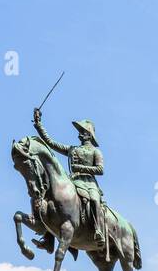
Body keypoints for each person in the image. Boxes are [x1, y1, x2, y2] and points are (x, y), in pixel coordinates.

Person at [33, 107, 108, 255]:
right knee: (55, 202)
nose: (80, 135)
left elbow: (100, 170)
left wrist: (79, 167)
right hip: (73, 182)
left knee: (94, 200)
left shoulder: (95, 151)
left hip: (88, 183)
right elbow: (50, 142)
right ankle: (48, 238)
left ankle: (98, 231)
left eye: (83, 132)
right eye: (80, 132)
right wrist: (38, 124)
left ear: (89, 135)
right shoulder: (72, 149)